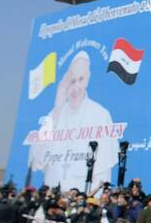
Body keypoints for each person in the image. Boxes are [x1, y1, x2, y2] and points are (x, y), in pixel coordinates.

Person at [27, 51, 118, 191]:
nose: (76, 87)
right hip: (52, 197)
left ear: (87, 79)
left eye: (80, 79)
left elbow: (104, 170)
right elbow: (36, 161)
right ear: (65, 83)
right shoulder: (53, 116)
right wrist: (57, 111)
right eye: (72, 81)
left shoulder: (100, 114)